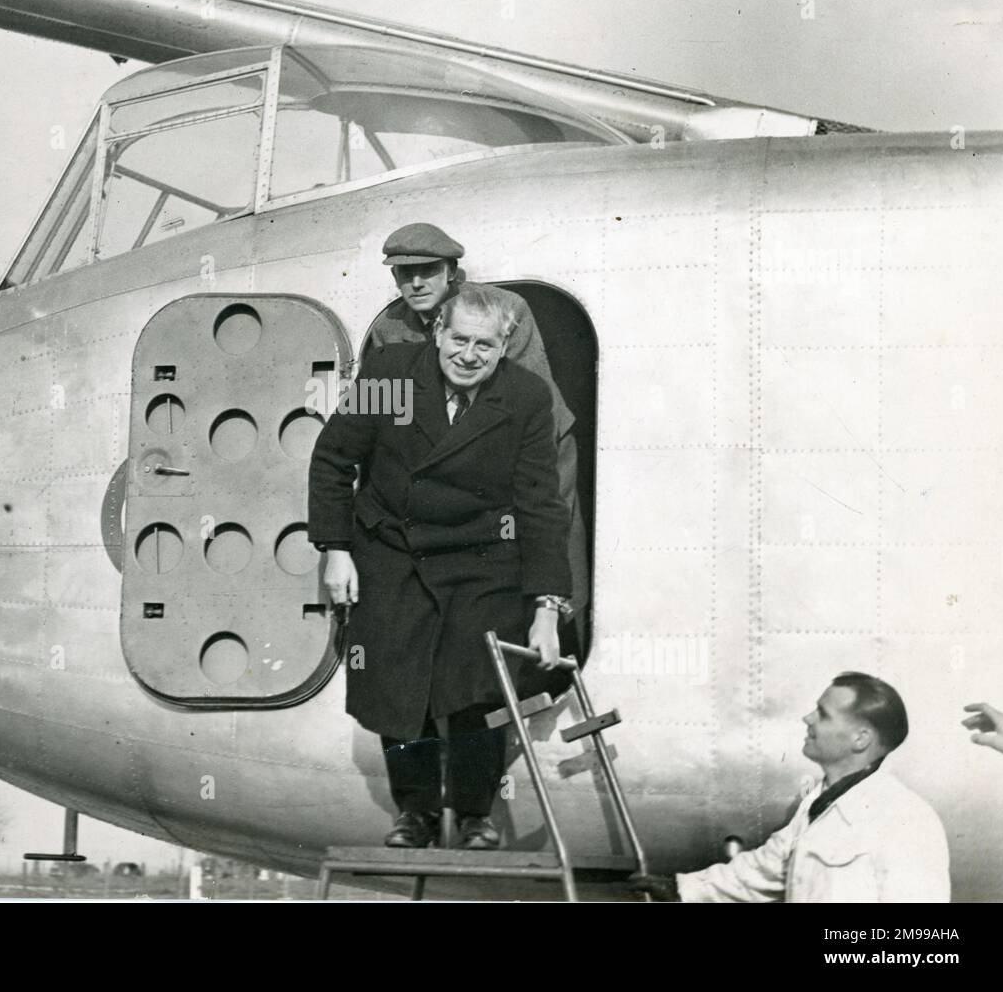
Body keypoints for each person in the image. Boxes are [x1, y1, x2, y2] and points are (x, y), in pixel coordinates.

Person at [308, 284, 572, 849]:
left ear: (505, 346)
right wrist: (335, 549)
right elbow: (333, 459)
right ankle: (417, 811)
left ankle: (476, 813)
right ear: (437, 333)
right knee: (398, 683)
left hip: (480, 558)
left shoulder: (525, 398)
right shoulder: (389, 376)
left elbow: (541, 506)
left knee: (478, 685)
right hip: (393, 551)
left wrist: (547, 607)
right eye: (458, 339)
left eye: (485, 345)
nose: (469, 355)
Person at [367, 222, 589, 632]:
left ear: (451, 270)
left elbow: (522, 407)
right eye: (403, 273)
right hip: (457, 462)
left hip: (538, 449)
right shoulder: (390, 329)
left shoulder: (504, 308)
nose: (415, 282)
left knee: (549, 566)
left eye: (428, 270)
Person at [630, 672, 950, 902]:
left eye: (823, 714)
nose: (807, 718)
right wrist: (683, 889)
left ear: (860, 739)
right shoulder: (820, 802)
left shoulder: (905, 819)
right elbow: (766, 868)